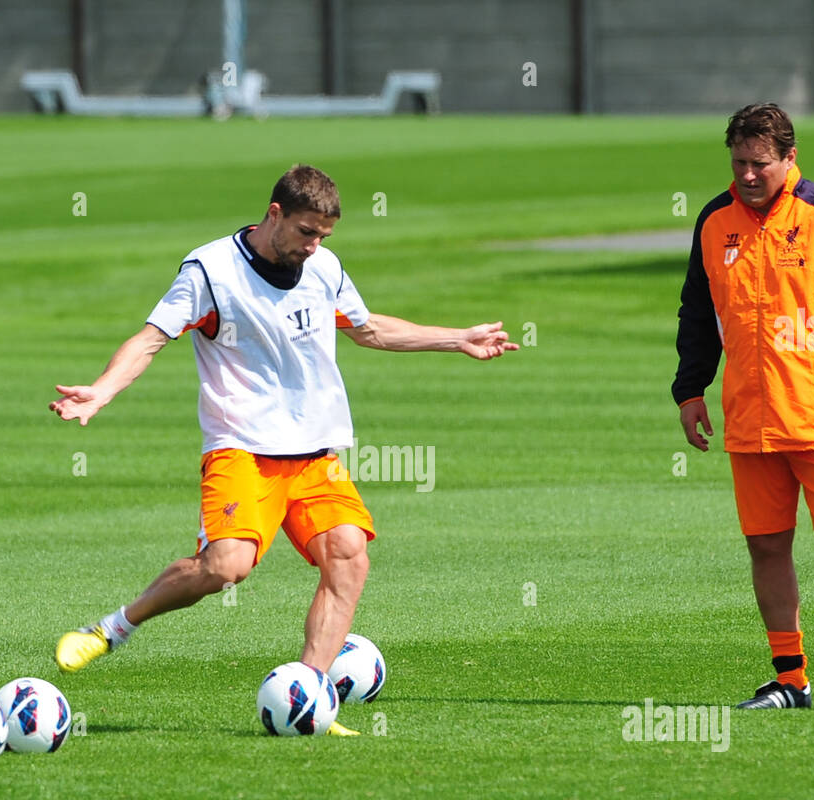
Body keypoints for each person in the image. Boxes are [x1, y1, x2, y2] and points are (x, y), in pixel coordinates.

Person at [49, 164, 516, 733]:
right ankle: (110, 630)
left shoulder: (323, 267)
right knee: (225, 568)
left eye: (324, 236)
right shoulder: (211, 271)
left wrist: (456, 338)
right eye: (305, 232)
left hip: (315, 453)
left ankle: (311, 695)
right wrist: (100, 391)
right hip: (243, 449)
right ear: (275, 214)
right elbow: (150, 340)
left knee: (349, 556)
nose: (314, 245)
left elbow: (367, 329)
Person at [672, 103, 814, 713]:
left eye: (760, 164)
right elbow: (699, 313)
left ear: (790, 159)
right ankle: (790, 678)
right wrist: (690, 389)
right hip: (751, 419)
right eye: (739, 162)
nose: (747, 175)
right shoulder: (714, 221)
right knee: (766, 547)